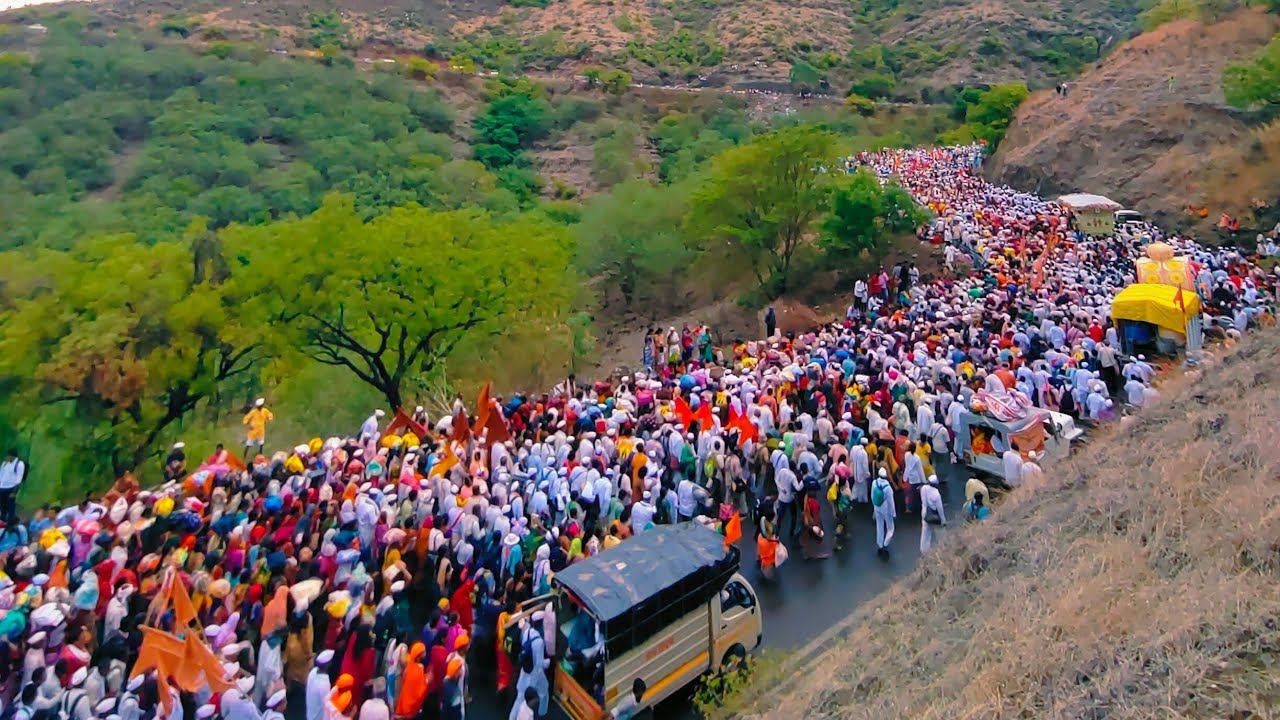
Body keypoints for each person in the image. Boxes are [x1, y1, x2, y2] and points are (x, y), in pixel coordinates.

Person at [919, 475, 946, 553]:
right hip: (934, 516)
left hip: (925, 513)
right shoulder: (936, 494)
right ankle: (943, 549)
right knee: (941, 533)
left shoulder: (923, 489)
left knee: (925, 534)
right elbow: (940, 509)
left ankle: (924, 551)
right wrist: (943, 520)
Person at [871, 468, 896, 552]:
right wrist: (893, 514)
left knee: (879, 525)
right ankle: (886, 543)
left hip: (877, 506)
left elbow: (872, 495)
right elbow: (891, 502)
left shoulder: (874, 483)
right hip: (886, 508)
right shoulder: (888, 487)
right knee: (890, 528)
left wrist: (874, 506)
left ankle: (880, 544)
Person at [0, 448, 26, 523]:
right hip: (2, 487)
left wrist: (14, 492)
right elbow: (1, 475)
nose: (6, 458)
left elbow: (18, 479)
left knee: (11, 507)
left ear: (12, 456)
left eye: (7, 456)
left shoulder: (19, 464)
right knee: (2, 507)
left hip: (11, 488)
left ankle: (10, 522)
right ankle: (2, 522)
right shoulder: (5, 463)